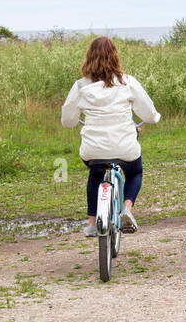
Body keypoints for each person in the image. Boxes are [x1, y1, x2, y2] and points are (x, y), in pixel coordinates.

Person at [61, 36, 162, 236]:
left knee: (95, 173)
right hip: (124, 147)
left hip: (93, 150)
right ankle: (126, 209)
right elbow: (149, 113)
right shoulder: (127, 82)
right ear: (115, 57)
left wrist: (74, 120)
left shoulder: (81, 86)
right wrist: (154, 118)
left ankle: (91, 222)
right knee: (134, 173)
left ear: (88, 58)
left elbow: (68, 120)